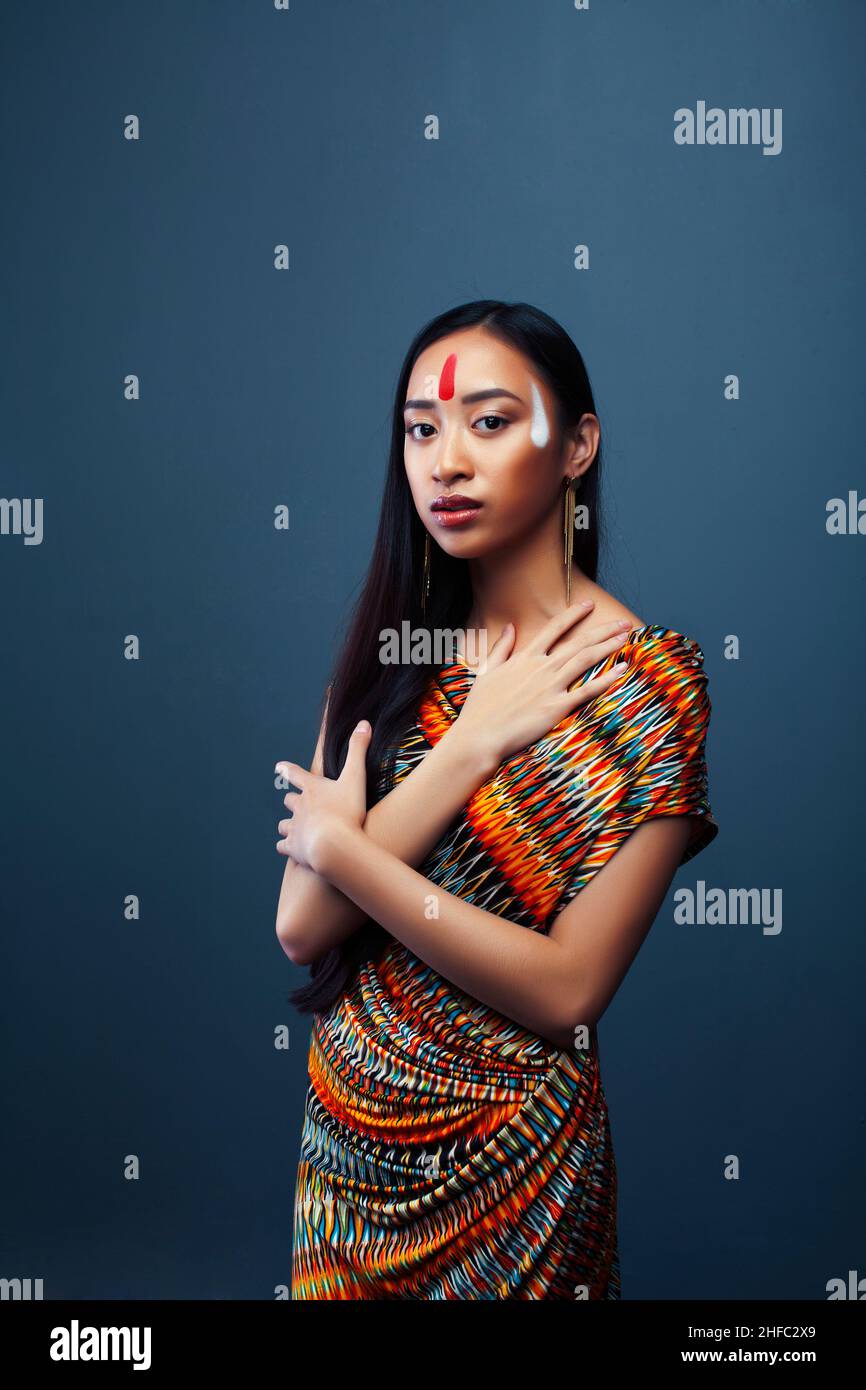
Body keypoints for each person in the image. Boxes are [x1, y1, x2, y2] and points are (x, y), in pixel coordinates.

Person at [274, 299, 719, 1299]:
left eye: (486, 421)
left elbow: (567, 990)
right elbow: (300, 924)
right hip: (347, 1161)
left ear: (574, 446)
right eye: (420, 431)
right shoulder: (391, 652)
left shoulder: (645, 685)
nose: (445, 463)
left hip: (515, 1167)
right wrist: (470, 743)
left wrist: (345, 852)